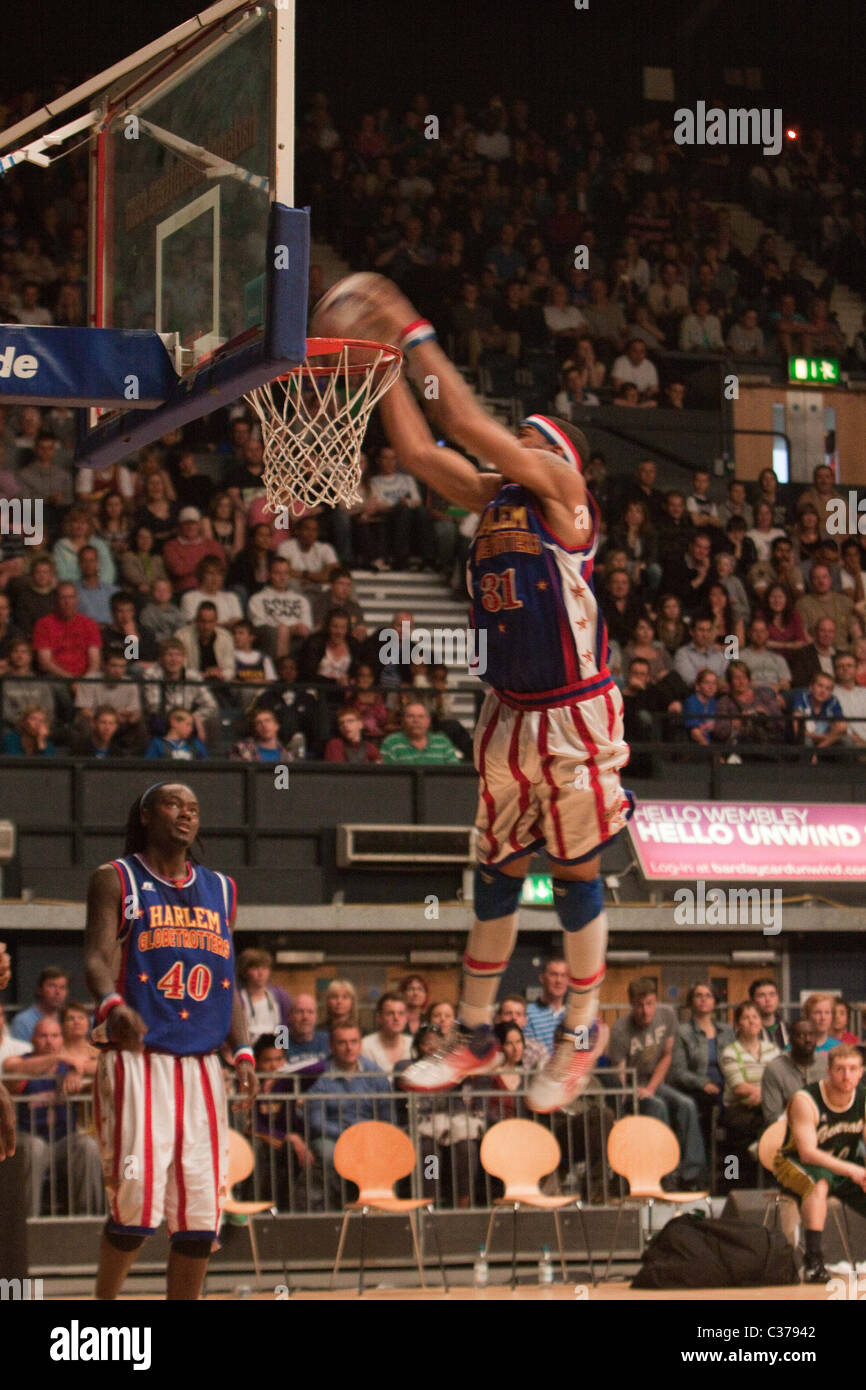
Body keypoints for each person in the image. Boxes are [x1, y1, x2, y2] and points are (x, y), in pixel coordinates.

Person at [315, 272, 633, 1112]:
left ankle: (579, 1028)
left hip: (573, 709)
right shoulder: (493, 500)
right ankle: (478, 1034)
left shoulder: (566, 503)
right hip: (506, 713)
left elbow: (459, 420)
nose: (513, 447)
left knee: (573, 871)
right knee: (494, 875)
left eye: (528, 439)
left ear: (555, 457)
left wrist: (404, 320)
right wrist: (385, 370)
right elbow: (423, 452)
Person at [83, 781, 257, 1300]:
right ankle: (102, 1308)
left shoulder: (222, 889)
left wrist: (243, 1049)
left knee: (202, 1220)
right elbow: (94, 956)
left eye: (194, 808)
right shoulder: (116, 878)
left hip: (202, 1066)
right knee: (135, 1209)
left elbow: (228, 979)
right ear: (145, 814)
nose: (186, 814)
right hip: (138, 1060)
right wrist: (112, 1006)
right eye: (173, 804)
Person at [774, 1045, 866, 1282]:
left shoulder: (863, 1098)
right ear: (829, 1071)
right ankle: (814, 1262)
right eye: (840, 1069)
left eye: (852, 1069)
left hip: (841, 1163)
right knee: (820, 1183)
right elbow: (808, 1153)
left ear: (861, 1072)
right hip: (793, 1162)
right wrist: (853, 1170)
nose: (846, 1075)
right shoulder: (806, 1099)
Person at [608, 977, 707, 1188]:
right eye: (639, 1005)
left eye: (650, 1003)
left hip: (656, 1081)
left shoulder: (667, 1016)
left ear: (656, 1001)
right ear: (631, 1004)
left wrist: (652, 1087)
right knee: (657, 1107)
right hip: (632, 1085)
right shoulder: (620, 1029)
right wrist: (629, 1096)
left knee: (687, 1105)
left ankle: (692, 1174)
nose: (645, 1011)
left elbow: (666, 1055)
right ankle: (664, 1171)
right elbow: (620, 1074)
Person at [8, 1016, 104, 1216]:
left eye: (54, 1036)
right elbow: (12, 1069)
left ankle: (87, 1219)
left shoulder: (69, 1067)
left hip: (63, 1142)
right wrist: (59, 1058)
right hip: (28, 1140)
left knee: (87, 1145)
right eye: (43, 1036)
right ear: (32, 1039)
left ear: (62, 1039)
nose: (49, 1041)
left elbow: (102, 1067)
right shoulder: (21, 1060)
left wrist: (77, 1071)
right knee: (36, 1148)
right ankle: (28, 1223)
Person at [305, 1023, 390, 1207]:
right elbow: (316, 1122)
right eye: (342, 1042)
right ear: (331, 1046)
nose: (349, 1047)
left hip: (369, 1136)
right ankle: (335, 1207)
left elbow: (387, 1117)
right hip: (333, 1136)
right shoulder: (318, 1075)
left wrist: (375, 1136)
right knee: (328, 1155)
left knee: (388, 1151)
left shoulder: (375, 1074)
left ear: (361, 1044)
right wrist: (350, 1134)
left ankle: (380, 1208)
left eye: (353, 1042)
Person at [719, 1001, 779, 1184]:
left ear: (761, 1022)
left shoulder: (773, 1050)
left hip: (767, 1107)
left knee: (777, 1127)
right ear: (737, 1024)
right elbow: (739, 1087)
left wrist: (764, 1095)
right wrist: (765, 1092)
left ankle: (769, 1181)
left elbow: (779, 1081)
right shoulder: (730, 1052)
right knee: (739, 1135)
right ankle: (733, 1182)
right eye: (746, 1017)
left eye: (755, 1017)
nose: (752, 1022)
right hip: (738, 1108)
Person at [670, 984, 734, 1153]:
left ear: (714, 1002)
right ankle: (702, 1171)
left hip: (728, 1087)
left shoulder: (726, 1031)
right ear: (691, 1002)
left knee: (735, 1126)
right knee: (706, 1115)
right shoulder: (682, 1032)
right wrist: (702, 1083)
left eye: (708, 995)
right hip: (698, 1089)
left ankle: (731, 1174)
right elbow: (678, 1071)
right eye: (698, 995)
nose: (703, 999)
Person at [761, 1018, 827, 1125]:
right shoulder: (775, 1069)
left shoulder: (826, 1065)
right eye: (801, 1035)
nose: (808, 1040)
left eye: (811, 1035)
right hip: (787, 1129)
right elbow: (772, 1117)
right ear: (790, 1039)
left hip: (824, 1128)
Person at [236, 948, 291, 1046]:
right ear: (244, 971)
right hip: (249, 1050)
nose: (260, 973)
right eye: (255, 968)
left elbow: (284, 1026)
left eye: (265, 968)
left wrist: (282, 1050)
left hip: (274, 1050)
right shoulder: (239, 998)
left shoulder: (280, 996)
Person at [380, 700, 462, 764]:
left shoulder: (443, 742)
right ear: (403, 721)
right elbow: (388, 779)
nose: (416, 720)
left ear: (428, 721)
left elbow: (454, 775)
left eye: (421, 717)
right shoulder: (391, 742)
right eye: (410, 716)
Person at [10, 966, 69, 1043]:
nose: (58, 992)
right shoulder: (23, 1022)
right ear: (40, 989)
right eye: (52, 986)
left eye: (62, 987)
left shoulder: (70, 1019)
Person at [361, 994, 413, 1075]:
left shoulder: (413, 1044)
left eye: (401, 1013)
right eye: (390, 1013)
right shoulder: (365, 1046)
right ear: (379, 1018)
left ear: (406, 1018)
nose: (396, 1018)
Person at [283, 994, 330, 1065]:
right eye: (299, 1011)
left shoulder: (328, 1041)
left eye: (310, 1012)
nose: (305, 1017)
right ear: (290, 1016)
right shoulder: (281, 1043)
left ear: (316, 1016)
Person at [749, 977, 789, 1049]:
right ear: (752, 1000)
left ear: (777, 998)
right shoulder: (748, 1031)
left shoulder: (789, 1029)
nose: (767, 999)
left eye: (772, 994)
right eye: (761, 995)